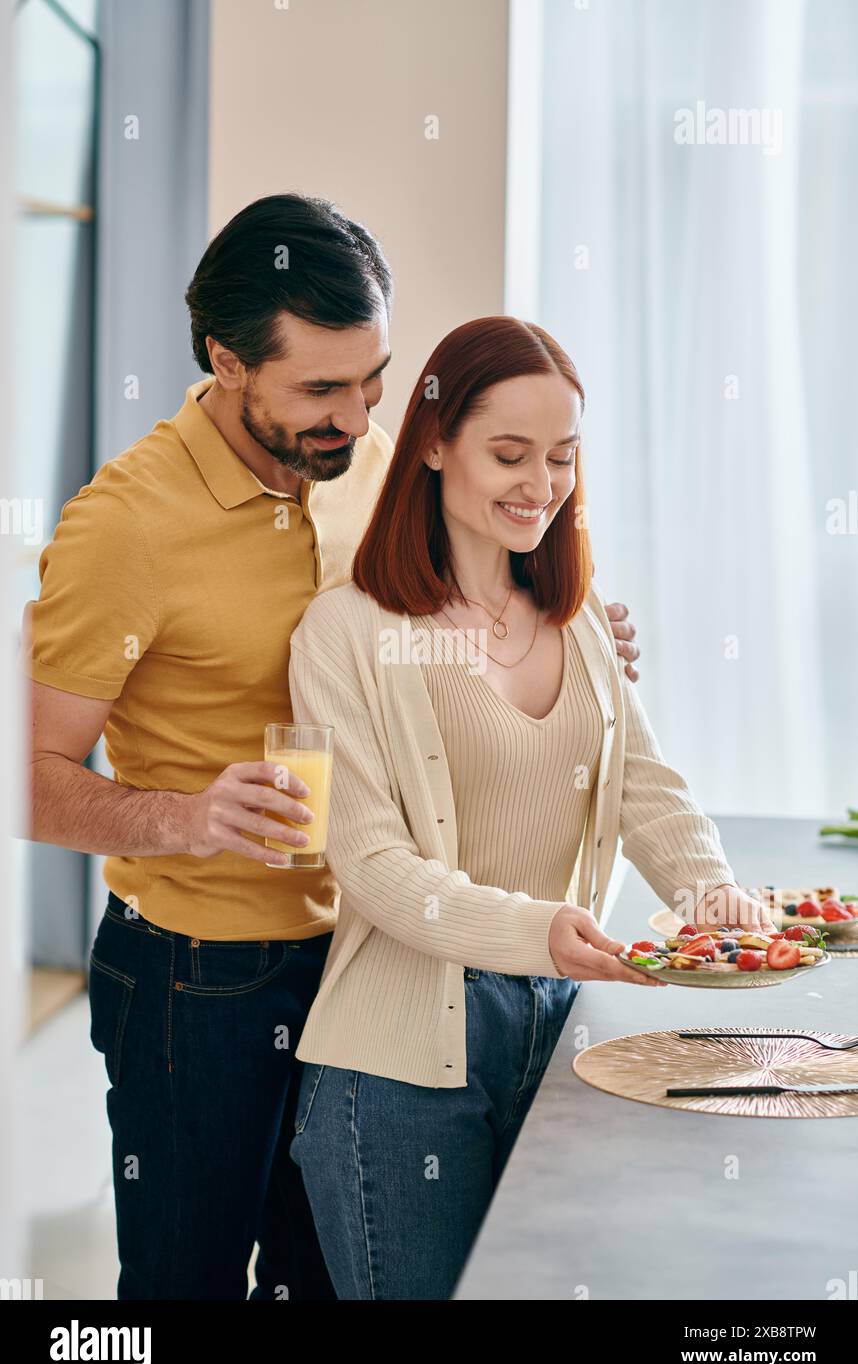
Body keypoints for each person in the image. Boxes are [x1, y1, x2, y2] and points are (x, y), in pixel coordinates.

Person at [22, 192, 644, 1300]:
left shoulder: (354, 481)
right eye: (319, 389)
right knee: (185, 1287)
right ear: (225, 359)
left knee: (327, 1279)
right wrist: (182, 814)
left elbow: (418, 650)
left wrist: (561, 633)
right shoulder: (125, 526)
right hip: (197, 982)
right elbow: (26, 774)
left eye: (373, 381)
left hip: (366, 958)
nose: (356, 422)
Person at [287, 315, 772, 1301]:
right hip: (396, 1070)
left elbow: (641, 780)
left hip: (560, 1025)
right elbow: (371, 865)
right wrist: (535, 928)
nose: (539, 484)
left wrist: (710, 891)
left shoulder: (578, 614)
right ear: (431, 443)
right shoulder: (345, 632)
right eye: (508, 454)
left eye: (560, 457)